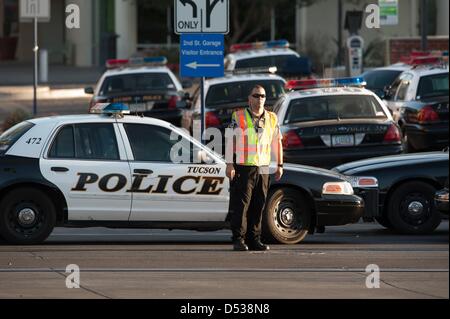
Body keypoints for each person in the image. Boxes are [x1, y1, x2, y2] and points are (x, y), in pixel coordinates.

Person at [225, 85, 284, 252]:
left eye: (263, 96)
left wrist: (279, 164)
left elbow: (277, 142)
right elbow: (231, 141)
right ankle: (239, 239)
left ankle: (254, 239)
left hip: (264, 167)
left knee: (259, 204)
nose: (260, 99)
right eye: (256, 96)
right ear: (249, 99)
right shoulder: (239, 116)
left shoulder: (272, 118)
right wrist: (229, 164)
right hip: (244, 167)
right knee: (242, 205)